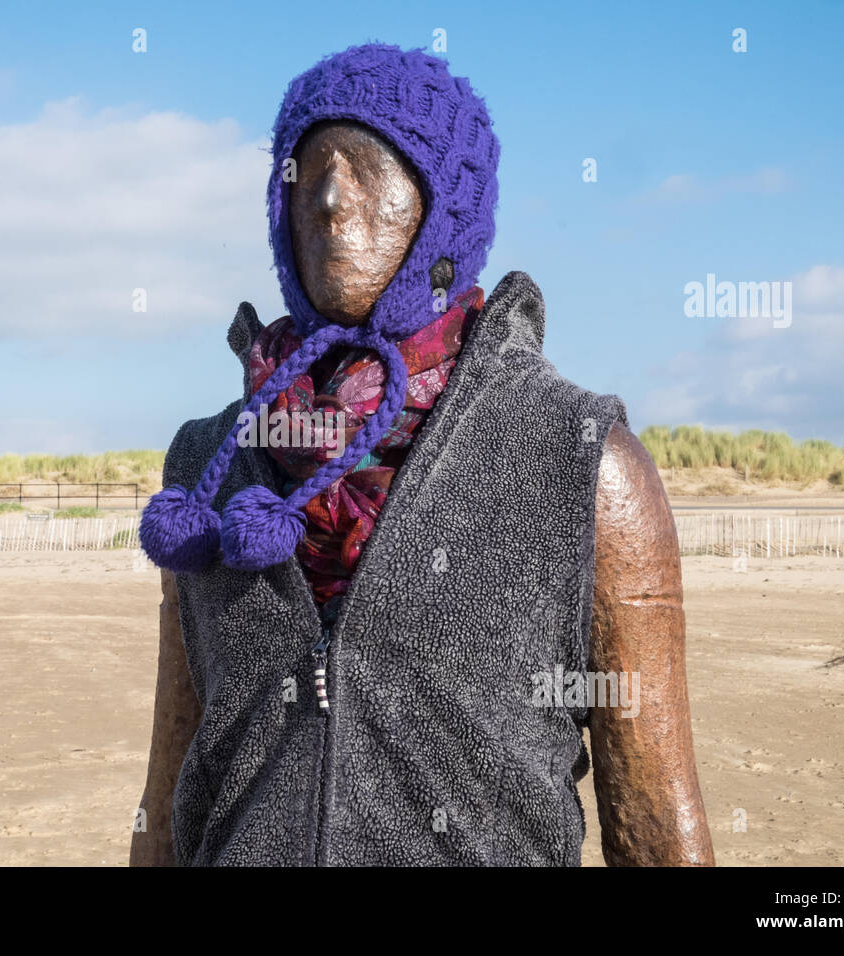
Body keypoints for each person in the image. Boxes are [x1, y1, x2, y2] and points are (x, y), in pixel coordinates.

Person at [132, 44, 713, 867]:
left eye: (376, 168)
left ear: (449, 210)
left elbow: (659, 827)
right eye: (308, 173)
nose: (333, 200)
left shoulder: (581, 463)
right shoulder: (207, 470)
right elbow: (170, 785)